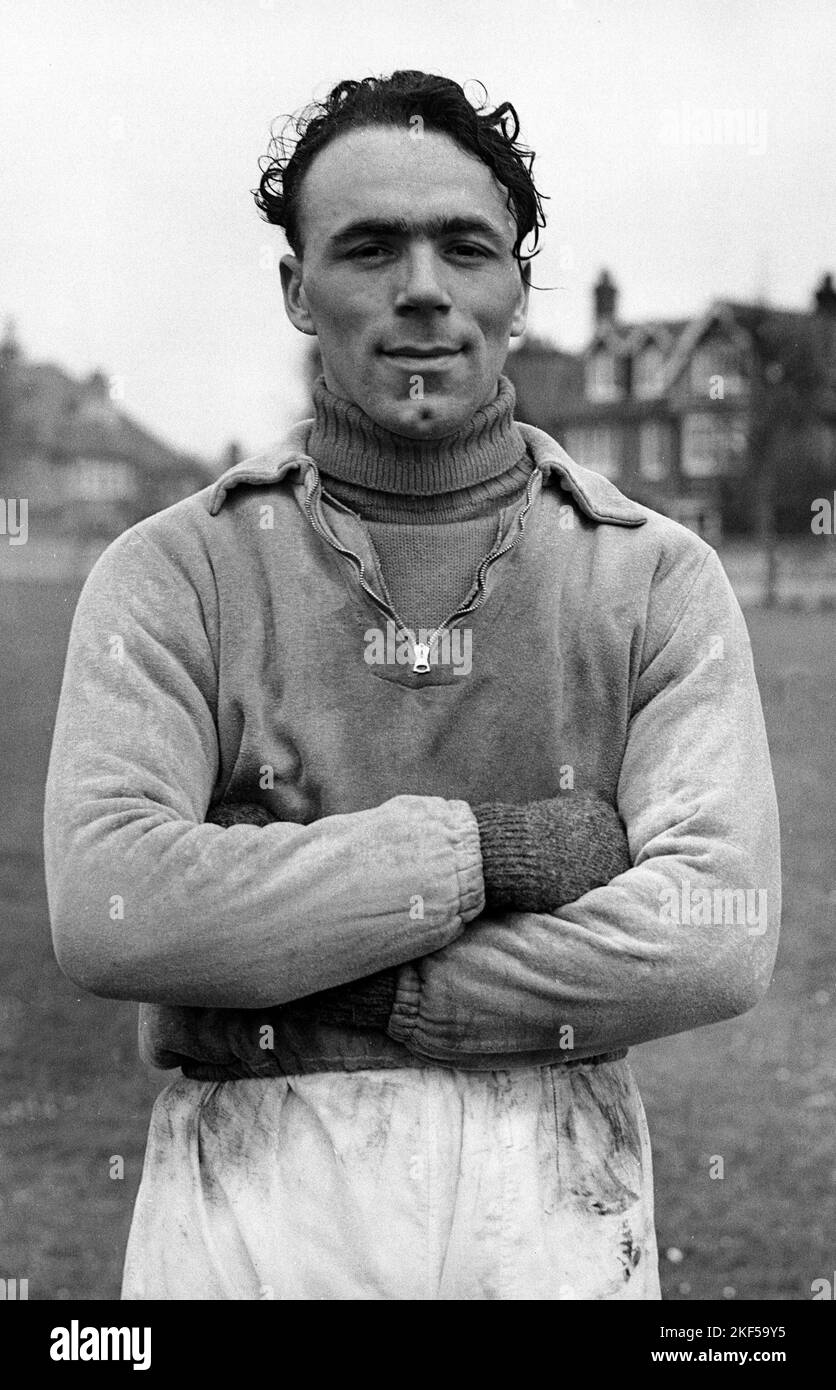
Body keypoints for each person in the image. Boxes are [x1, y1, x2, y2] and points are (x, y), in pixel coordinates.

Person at [43, 70, 780, 1301]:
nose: (423, 288)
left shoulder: (655, 578)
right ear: (296, 289)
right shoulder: (174, 570)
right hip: (251, 1195)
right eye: (370, 246)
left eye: (465, 245)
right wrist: (501, 853)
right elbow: (114, 899)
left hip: (556, 1186)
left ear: (516, 284)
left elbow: (710, 939)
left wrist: (299, 972)